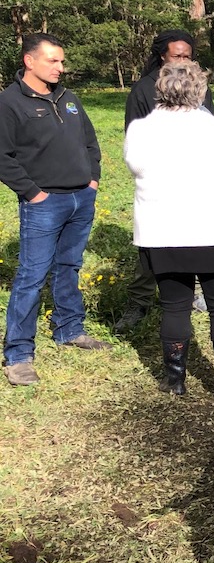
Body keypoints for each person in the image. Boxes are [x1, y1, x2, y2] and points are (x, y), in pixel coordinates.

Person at [124, 61, 214, 400]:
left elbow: (134, 168)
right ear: (200, 91)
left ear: (159, 90)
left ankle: (175, 380)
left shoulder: (140, 131)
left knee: (174, 307)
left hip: (163, 234)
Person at [0, 33, 110, 387]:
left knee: (69, 266)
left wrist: (92, 179)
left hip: (81, 199)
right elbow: (2, 156)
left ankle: (69, 329)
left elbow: (90, 142)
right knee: (32, 276)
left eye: (62, 61)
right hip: (44, 203)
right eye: (53, 61)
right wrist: (33, 194)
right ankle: (17, 355)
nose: (60, 67)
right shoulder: (10, 103)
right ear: (29, 61)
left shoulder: (69, 98)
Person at [116, 29, 214, 332]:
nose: (184, 61)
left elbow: (211, 128)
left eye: (188, 55)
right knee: (151, 246)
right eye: (177, 55)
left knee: (194, 240)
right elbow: (134, 140)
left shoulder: (201, 89)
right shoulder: (143, 90)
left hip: (196, 181)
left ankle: (193, 293)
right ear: (162, 56)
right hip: (159, 184)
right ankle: (140, 301)